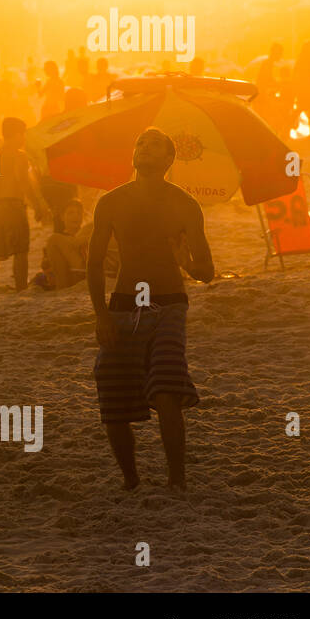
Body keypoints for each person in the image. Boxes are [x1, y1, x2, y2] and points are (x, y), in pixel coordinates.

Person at [88, 127, 213, 491]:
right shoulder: (111, 202)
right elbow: (94, 264)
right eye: (140, 142)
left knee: (165, 388)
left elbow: (207, 272)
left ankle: (177, 479)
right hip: (124, 303)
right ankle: (131, 480)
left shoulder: (185, 204)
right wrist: (101, 314)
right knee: (111, 392)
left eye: (154, 145)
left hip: (169, 303)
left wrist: (183, 260)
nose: (144, 147)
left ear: (169, 159)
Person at [0, 117, 47, 291]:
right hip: (13, 206)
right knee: (20, 249)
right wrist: (36, 205)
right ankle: (20, 288)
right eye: (22, 135)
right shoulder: (19, 156)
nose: (24, 139)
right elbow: (22, 181)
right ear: (16, 135)